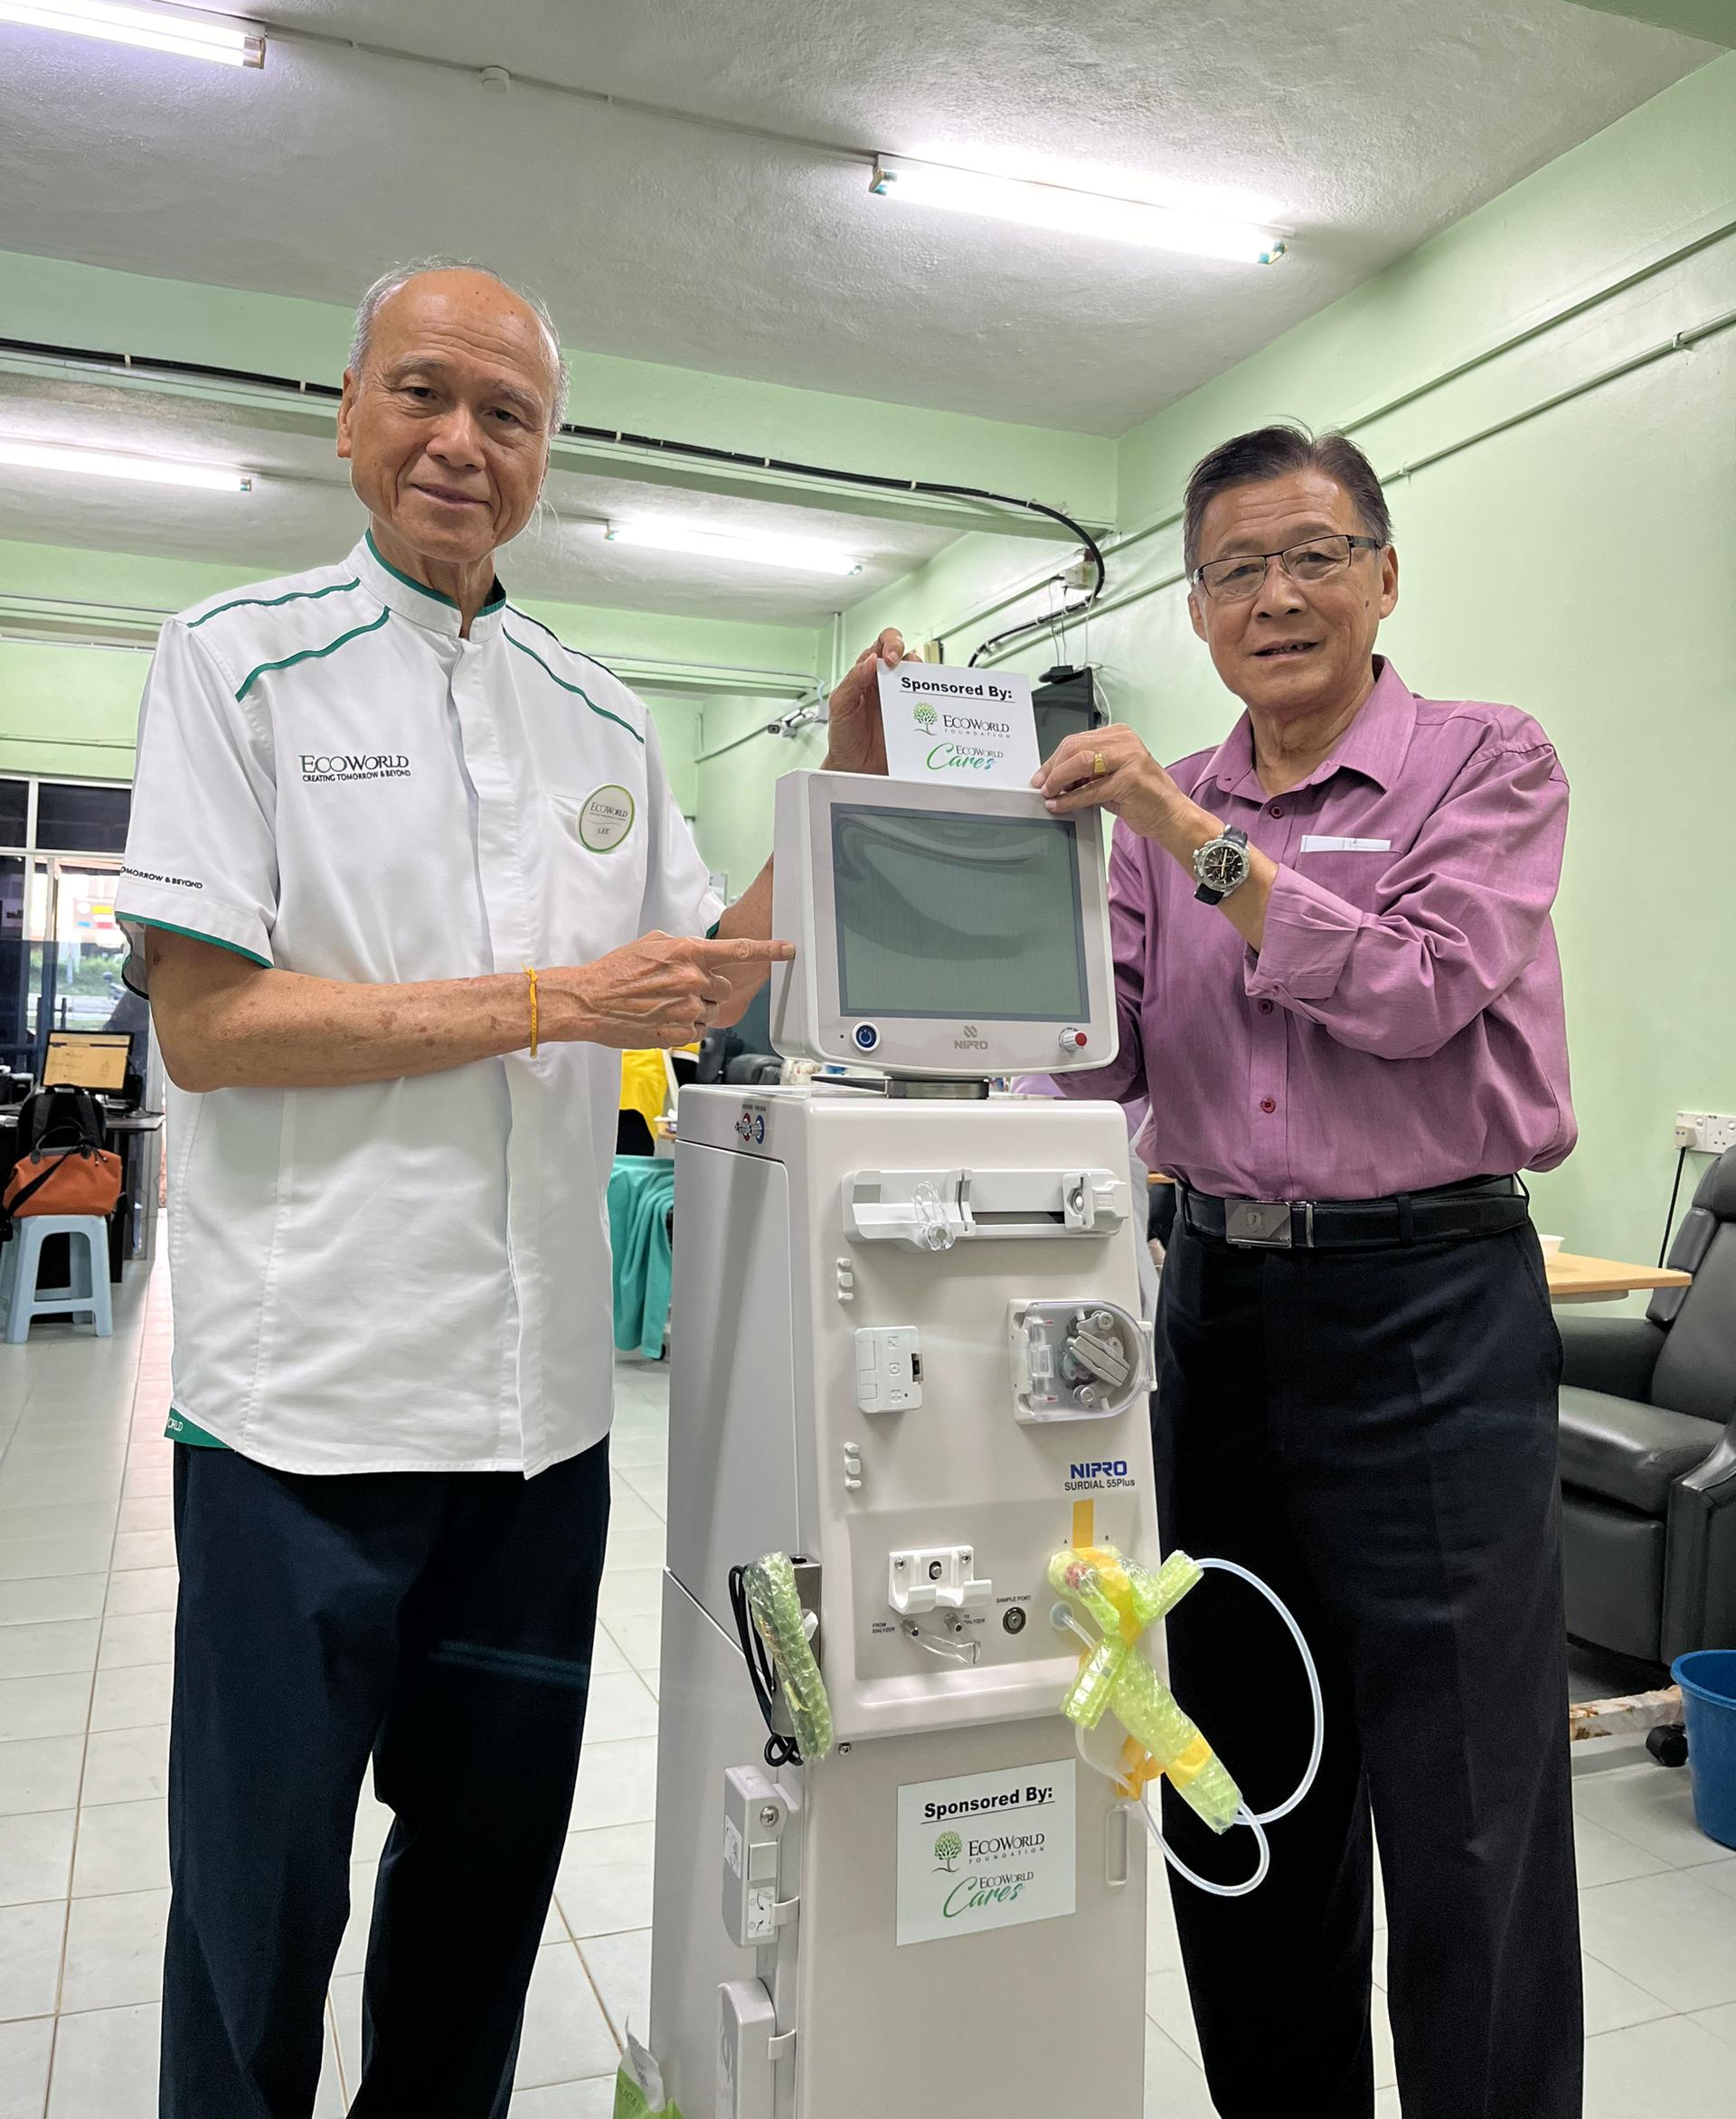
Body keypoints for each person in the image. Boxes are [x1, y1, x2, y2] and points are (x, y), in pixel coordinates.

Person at [117, 257, 902, 2119]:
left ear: (550, 451)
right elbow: (212, 1021)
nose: (462, 443)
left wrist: (836, 792)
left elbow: (705, 982)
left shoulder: (599, 712)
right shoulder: (233, 660)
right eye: (424, 393)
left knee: (479, 1904)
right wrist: (551, 1000)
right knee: (260, 1904)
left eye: (510, 413)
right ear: (348, 410)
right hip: (298, 1424)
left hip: (538, 1445)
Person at [1033, 425, 1579, 2119]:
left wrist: (1193, 835)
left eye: (1313, 556)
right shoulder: (1144, 821)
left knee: (1468, 1805)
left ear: (1384, 574)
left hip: (1435, 1312)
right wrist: (988, 880)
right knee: (1245, 1781)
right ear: (1195, 612)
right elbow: (1091, 1064)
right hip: (1217, 1311)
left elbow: (1418, 991)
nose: (1276, 597)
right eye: (1234, 572)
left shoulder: (1487, 763)